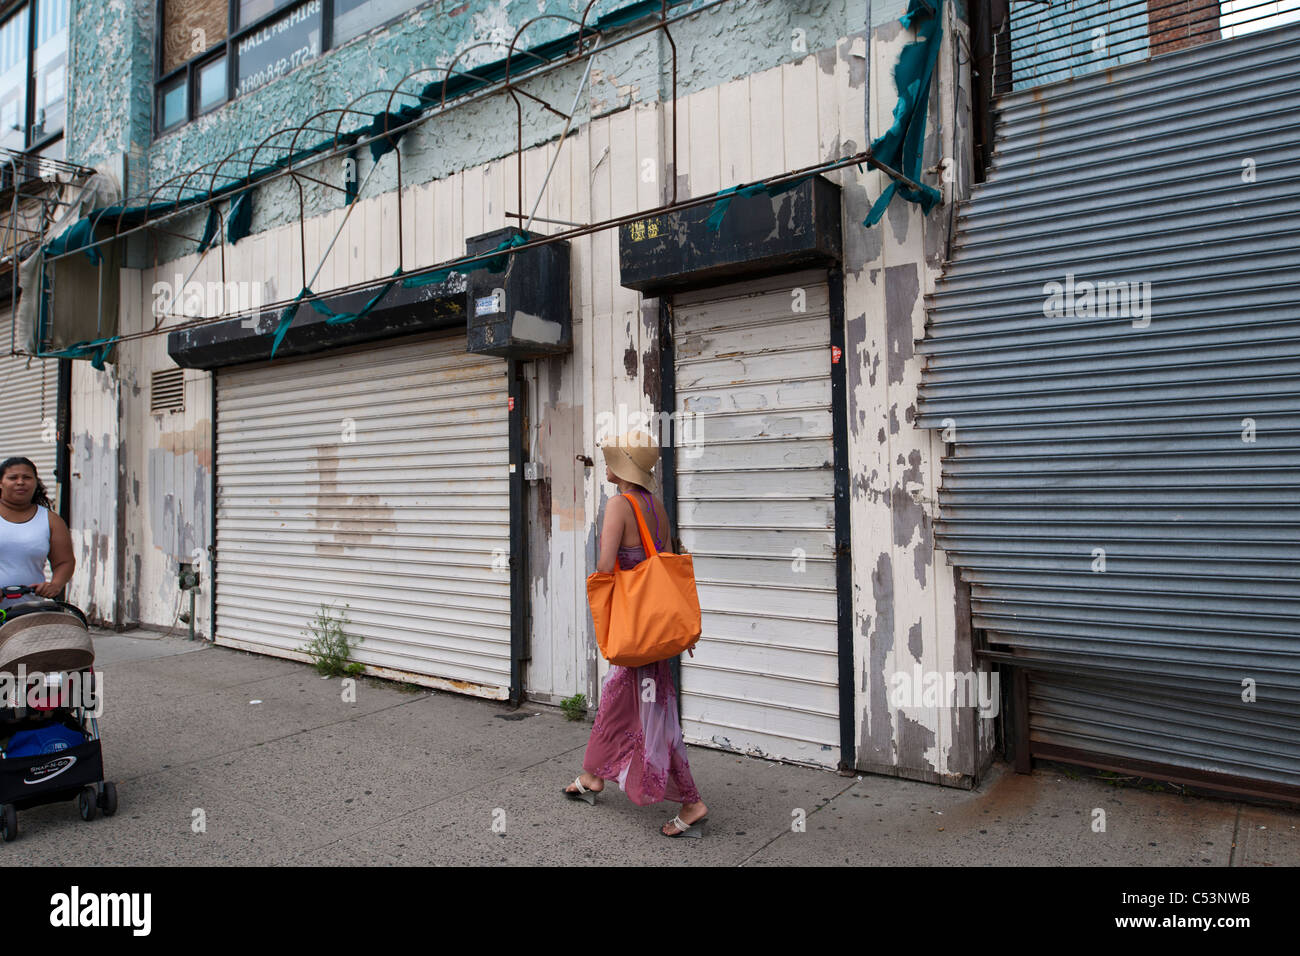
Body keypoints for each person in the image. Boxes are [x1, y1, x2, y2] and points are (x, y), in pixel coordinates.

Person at [563, 430, 708, 837]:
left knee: (658, 717)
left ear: (622, 467)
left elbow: (606, 566)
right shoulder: (655, 506)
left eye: (611, 459)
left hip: (637, 631)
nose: (605, 465)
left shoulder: (619, 505)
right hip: (655, 627)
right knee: (617, 700)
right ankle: (593, 776)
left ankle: (692, 801)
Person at [0, 457, 75, 611]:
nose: (20, 482)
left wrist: (55, 585)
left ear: (35, 482)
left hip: (30, 611)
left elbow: (64, 562)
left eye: (27, 477)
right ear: (1, 483)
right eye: (12, 477)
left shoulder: (50, 520)